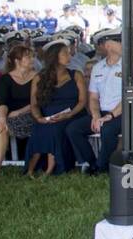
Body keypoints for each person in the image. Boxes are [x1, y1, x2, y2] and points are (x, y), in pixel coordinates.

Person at [66, 33, 133, 173]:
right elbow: (93, 97)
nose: (123, 44)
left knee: (107, 129)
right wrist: (96, 116)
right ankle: (93, 163)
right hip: (103, 112)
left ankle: (102, 167)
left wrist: (110, 116)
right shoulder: (97, 68)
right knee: (73, 129)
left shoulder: (130, 66)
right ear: (109, 46)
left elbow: (131, 96)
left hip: (126, 113)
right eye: (118, 41)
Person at [26, 38, 87, 176]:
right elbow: (34, 103)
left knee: (55, 126)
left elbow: (82, 101)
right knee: (42, 126)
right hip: (48, 114)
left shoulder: (76, 75)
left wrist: (69, 114)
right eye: (65, 53)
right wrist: (38, 117)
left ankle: (52, 168)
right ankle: (32, 167)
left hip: (73, 114)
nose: (69, 56)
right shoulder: (39, 77)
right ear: (55, 57)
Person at [0, 43, 37, 180]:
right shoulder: (5, 79)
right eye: (28, 57)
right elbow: (2, 103)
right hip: (8, 115)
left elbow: (37, 101)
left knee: (2, 128)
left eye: (32, 57)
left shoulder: (37, 77)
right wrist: (2, 118)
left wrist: (19, 112)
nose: (32, 59)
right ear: (17, 61)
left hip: (30, 114)